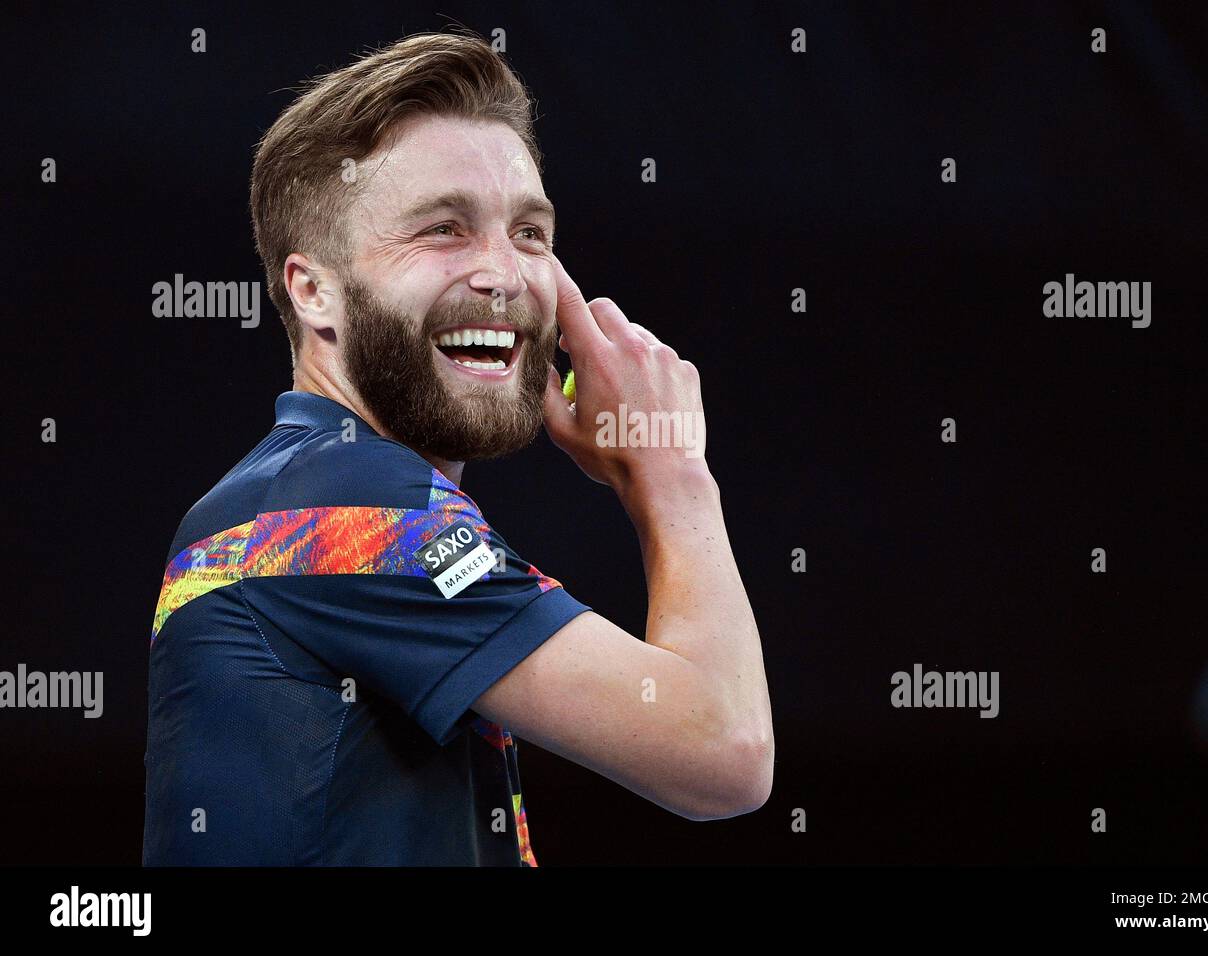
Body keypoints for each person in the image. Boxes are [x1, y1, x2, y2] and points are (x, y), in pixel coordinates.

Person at [143, 31, 773, 866]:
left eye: (531, 234)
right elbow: (723, 753)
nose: (503, 275)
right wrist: (672, 471)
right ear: (314, 291)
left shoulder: (310, 495)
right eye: (444, 229)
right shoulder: (342, 510)